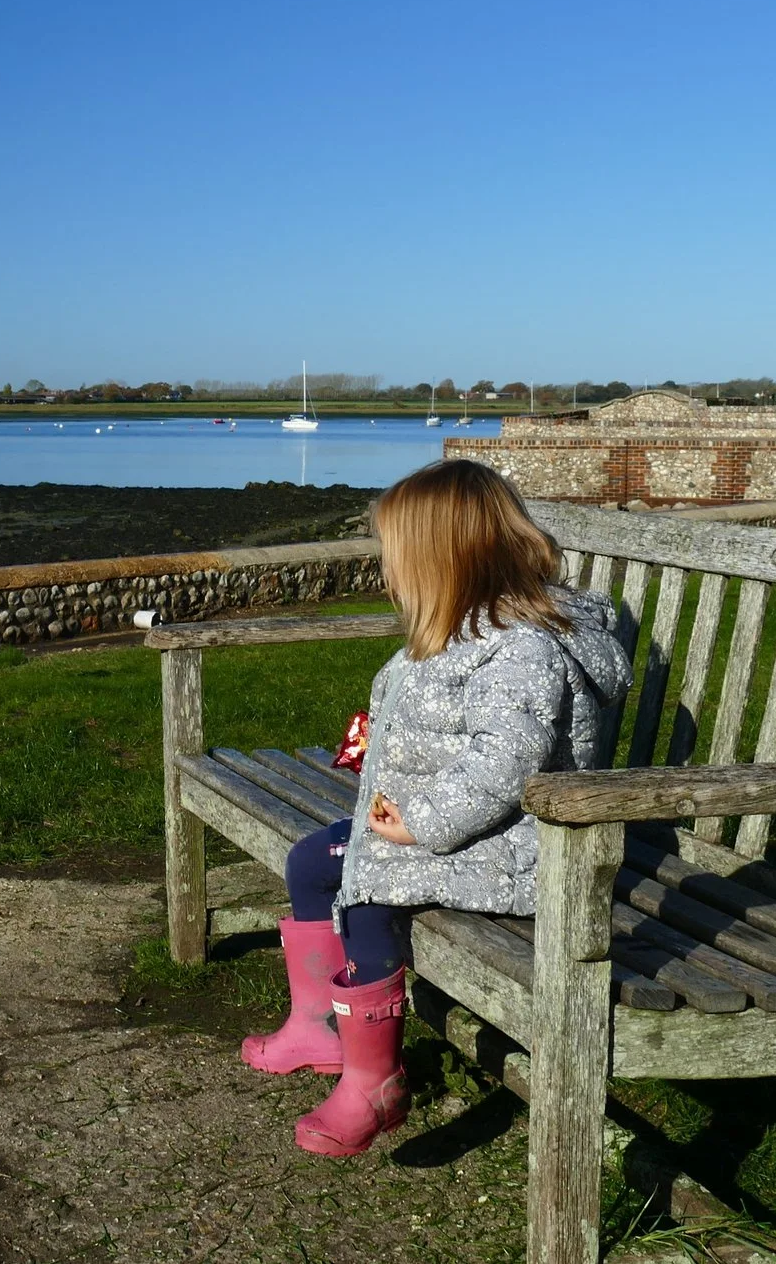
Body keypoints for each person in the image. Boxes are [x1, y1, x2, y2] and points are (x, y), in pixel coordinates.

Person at [240, 459, 632, 1157]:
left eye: (395, 559)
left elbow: (506, 760)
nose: (389, 575)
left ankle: (375, 1080)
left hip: (514, 851)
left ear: (443, 560)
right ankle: (317, 1026)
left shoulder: (522, 648)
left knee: (364, 886)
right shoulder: (468, 627)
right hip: (465, 831)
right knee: (311, 861)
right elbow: (440, 728)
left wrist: (423, 819)